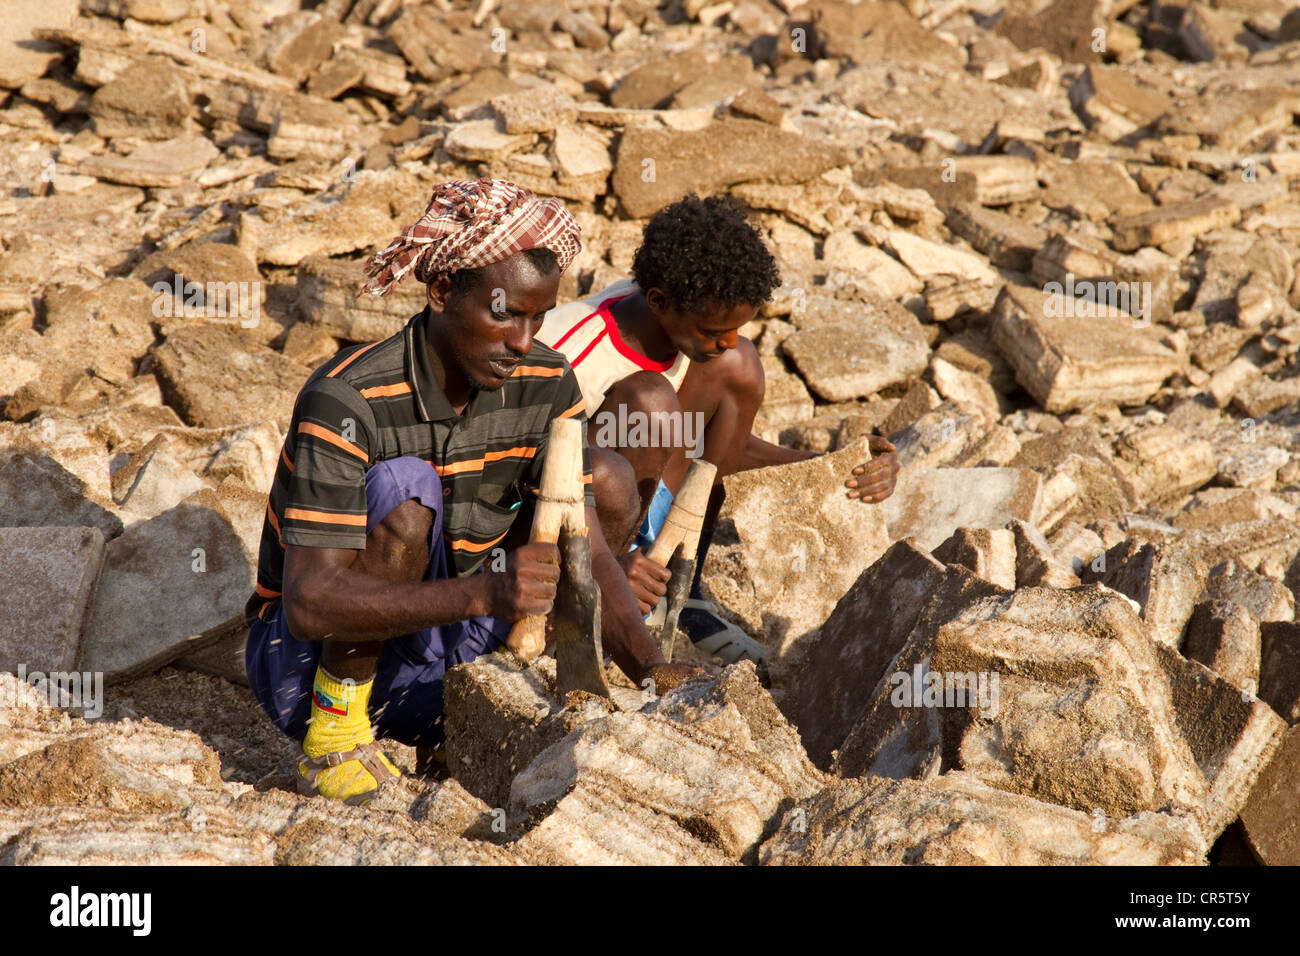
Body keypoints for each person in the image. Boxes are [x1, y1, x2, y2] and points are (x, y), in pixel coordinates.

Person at [244, 178, 698, 806]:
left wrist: (650, 667)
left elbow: (584, 549)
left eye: (538, 319)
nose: (521, 341)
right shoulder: (348, 398)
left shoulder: (543, 380)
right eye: (504, 313)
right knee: (407, 490)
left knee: (605, 479)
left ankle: (452, 721)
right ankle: (337, 742)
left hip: (439, 662)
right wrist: (488, 590)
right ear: (441, 291)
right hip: (306, 667)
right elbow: (310, 604)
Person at [535, 193, 900, 663]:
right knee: (650, 402)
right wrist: (598, 568)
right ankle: (603, 604)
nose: (726, 340)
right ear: (660, 302)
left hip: (639, 500)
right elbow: (517, 481)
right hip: (578, 527)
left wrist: (841, 465)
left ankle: (680, 595)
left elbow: (719, 453)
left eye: (735, 326)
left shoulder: (679, 322)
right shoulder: (570, 355)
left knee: (738, 366)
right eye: (712, 331)